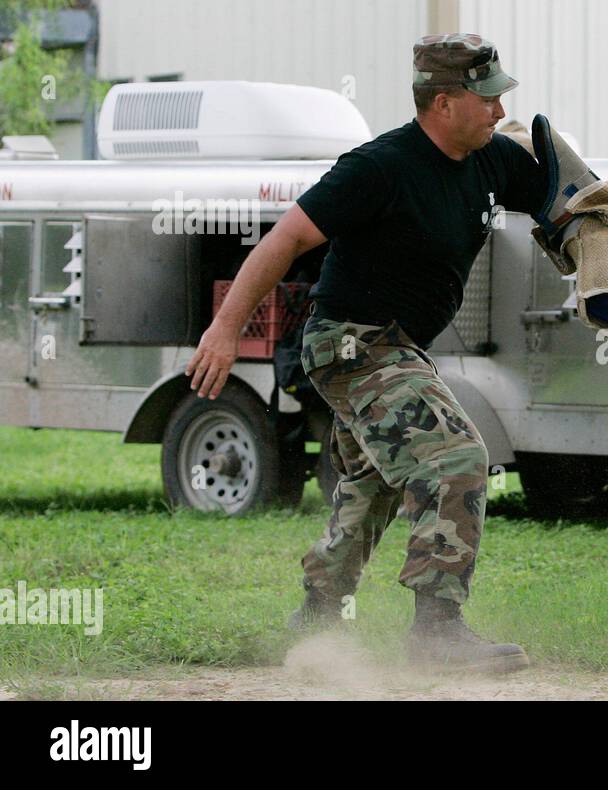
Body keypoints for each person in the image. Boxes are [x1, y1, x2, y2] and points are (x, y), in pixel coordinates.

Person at [185, 33, 546, 673]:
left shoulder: (490, 159)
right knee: (456, 456)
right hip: (351, 344)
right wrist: (224, 329)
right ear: (442, 103)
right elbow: (286, 239)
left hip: (399, 348)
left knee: (373, 483)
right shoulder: (378, 167)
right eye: (485, 99)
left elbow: (562, 188)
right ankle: (436, 632)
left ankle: (314, 622)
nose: (497, 110)